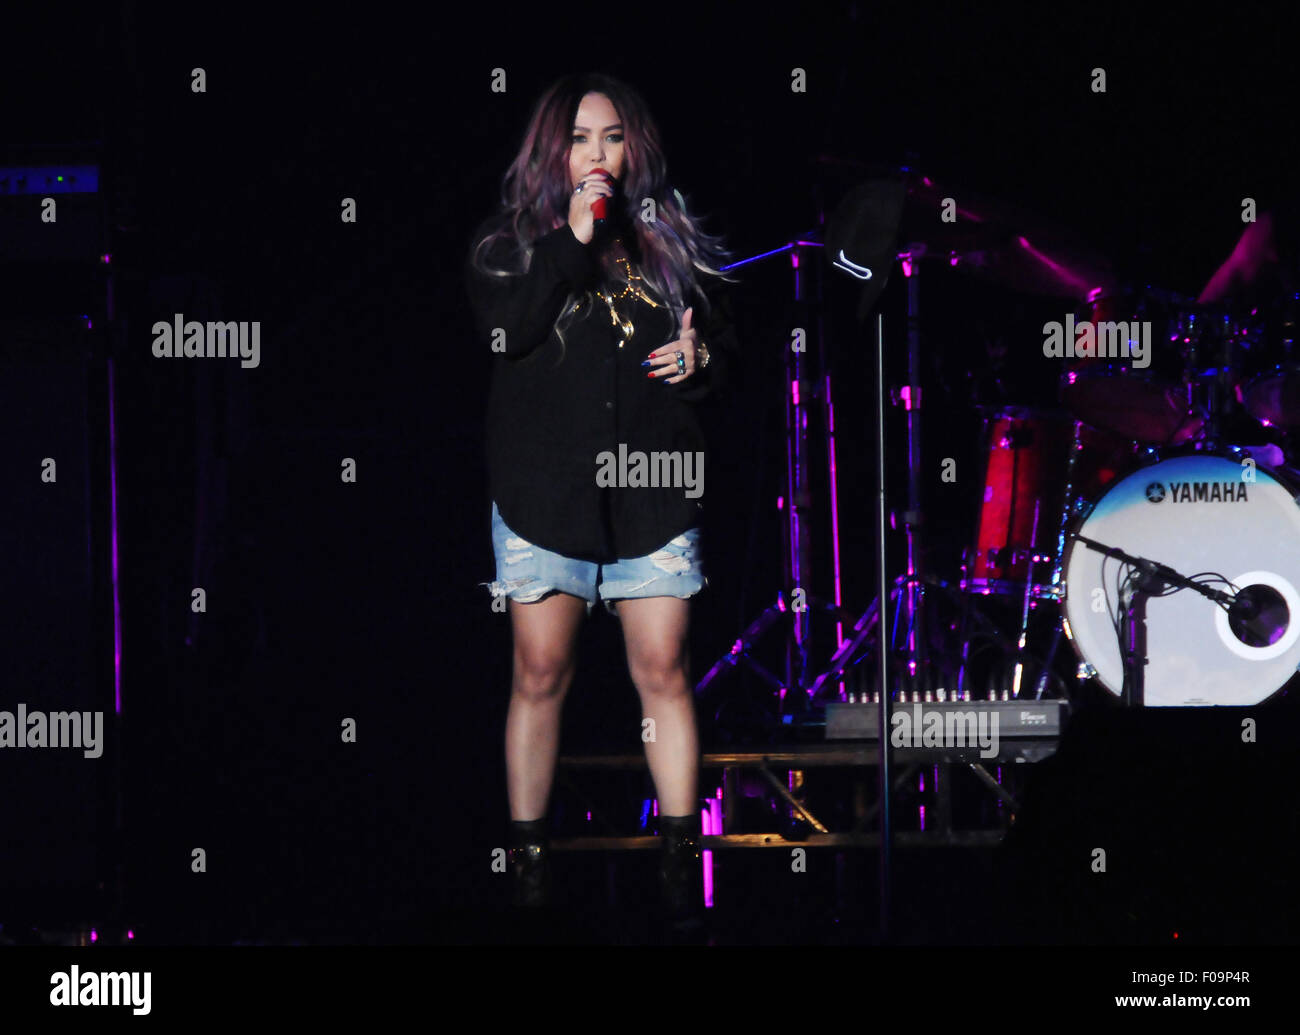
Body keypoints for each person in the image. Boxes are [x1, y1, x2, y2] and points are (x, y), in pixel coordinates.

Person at [464, 72, 739, 927]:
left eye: (612, 137)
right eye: (581, 139)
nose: (597, 155)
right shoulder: (509, 242)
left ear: (635, 148)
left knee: (662, 666)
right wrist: (571, 240)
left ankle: (679, 867)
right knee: (541, 670)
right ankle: (530, 872)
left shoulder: (671, 242)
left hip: (652, 492)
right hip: (547, 492)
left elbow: (721, 352)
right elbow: (505, 330)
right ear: (554, 151)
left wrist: (702, 366)